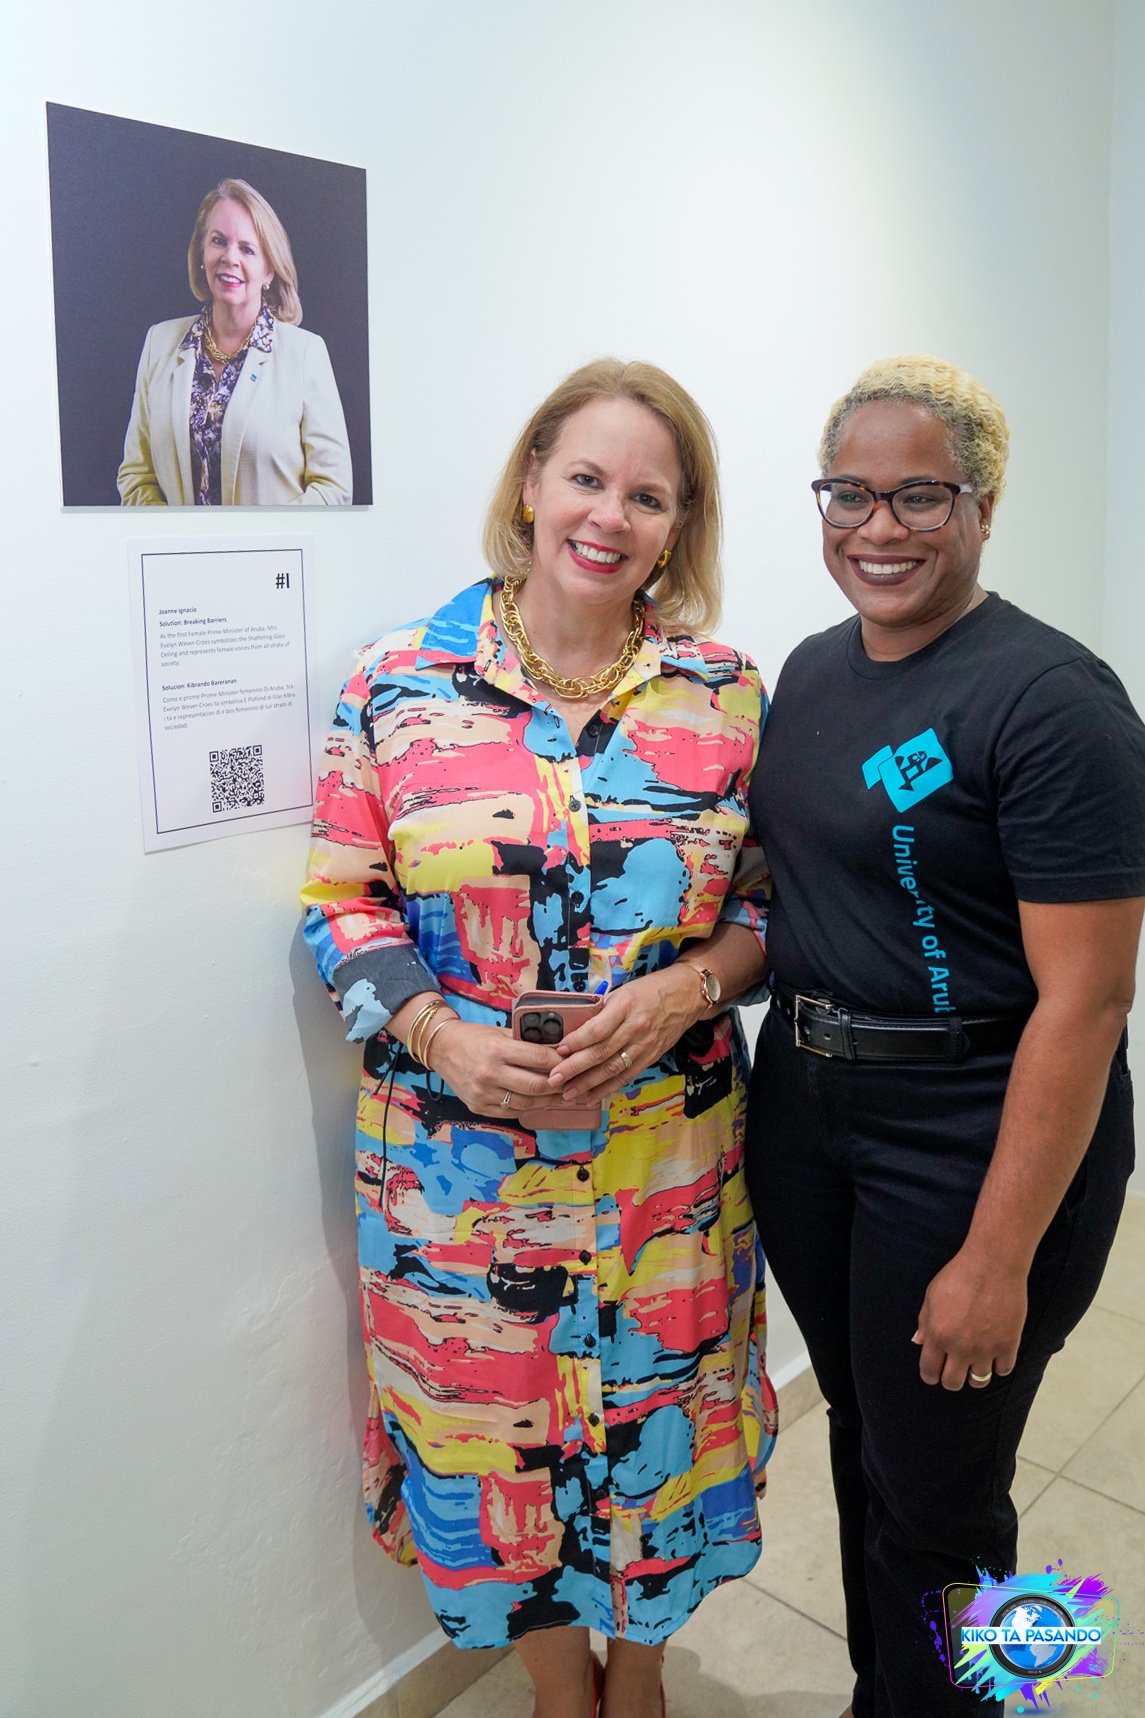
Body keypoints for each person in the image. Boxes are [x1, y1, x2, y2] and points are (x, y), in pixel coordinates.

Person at [301, 359, 776, 1718]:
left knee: (655, 1434)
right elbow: (343, 900)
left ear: (678, 525)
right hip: (459, 1192)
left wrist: (686, 991)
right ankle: (560, 1685)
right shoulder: (398, 682)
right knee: (492, 1453)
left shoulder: (724, 696)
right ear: (530, 483)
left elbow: (768, 908)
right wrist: (440, 1032)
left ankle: (643, 1676)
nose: (610, 516)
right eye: (586, 477)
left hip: (662, 1179)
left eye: (648, 494)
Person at [744, 355, 1145, 1718]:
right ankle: (894, 1694)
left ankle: (997, 1699)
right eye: (849, 492)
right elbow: (783, 887)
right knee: (874, 1446)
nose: (880, 526)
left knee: (948, 1497)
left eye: (921, 494)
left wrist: (996, 1253)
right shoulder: (806, 672)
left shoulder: (1052, 699)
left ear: (981, 505)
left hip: (975, 1132)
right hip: (807, 1113)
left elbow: (1087, 1003)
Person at [118, 177, 351, 506]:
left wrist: (255, 550)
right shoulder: (159, 343)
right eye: (218, 241)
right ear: (202, 252)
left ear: (269, 269)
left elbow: (332, 487)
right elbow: (136, 476)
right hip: (178, 556)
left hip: (272, 556)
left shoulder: (305, 354)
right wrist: (178, 544)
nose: (230, 257)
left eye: (247, 248)